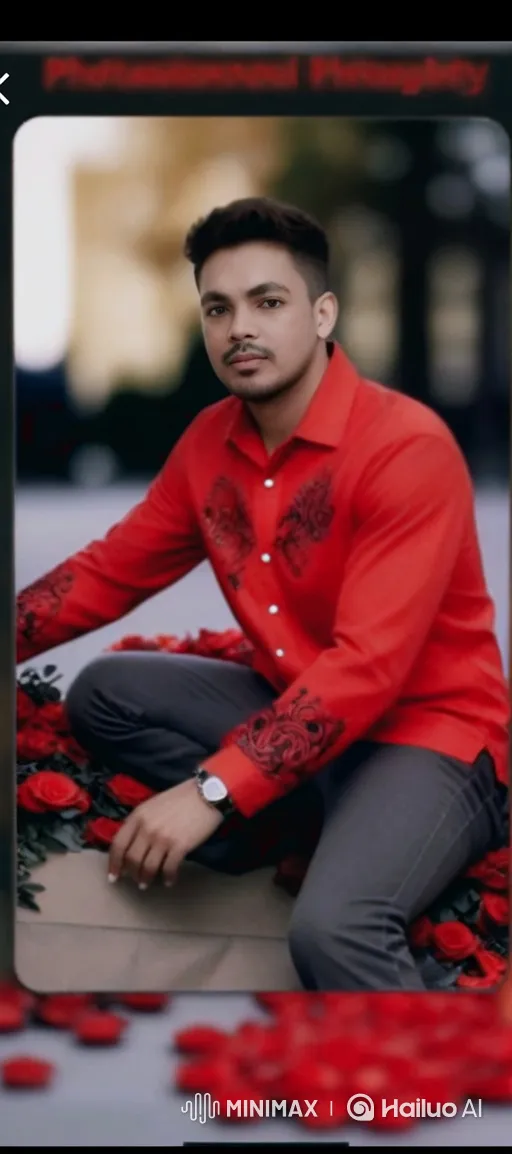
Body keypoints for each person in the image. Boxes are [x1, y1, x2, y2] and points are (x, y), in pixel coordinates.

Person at [16, 196, 509, 992]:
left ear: (322, 313)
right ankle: (294, 820)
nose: (238, 327)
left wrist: (212, 791)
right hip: (299, 714)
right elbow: (109, 571)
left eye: (267, 302)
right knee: (109, 693)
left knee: (334, 930)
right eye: (219, 308)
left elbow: (368, 669)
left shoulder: (405, 447)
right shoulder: (211, 441)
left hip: (429, 737)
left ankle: (430, 1093)